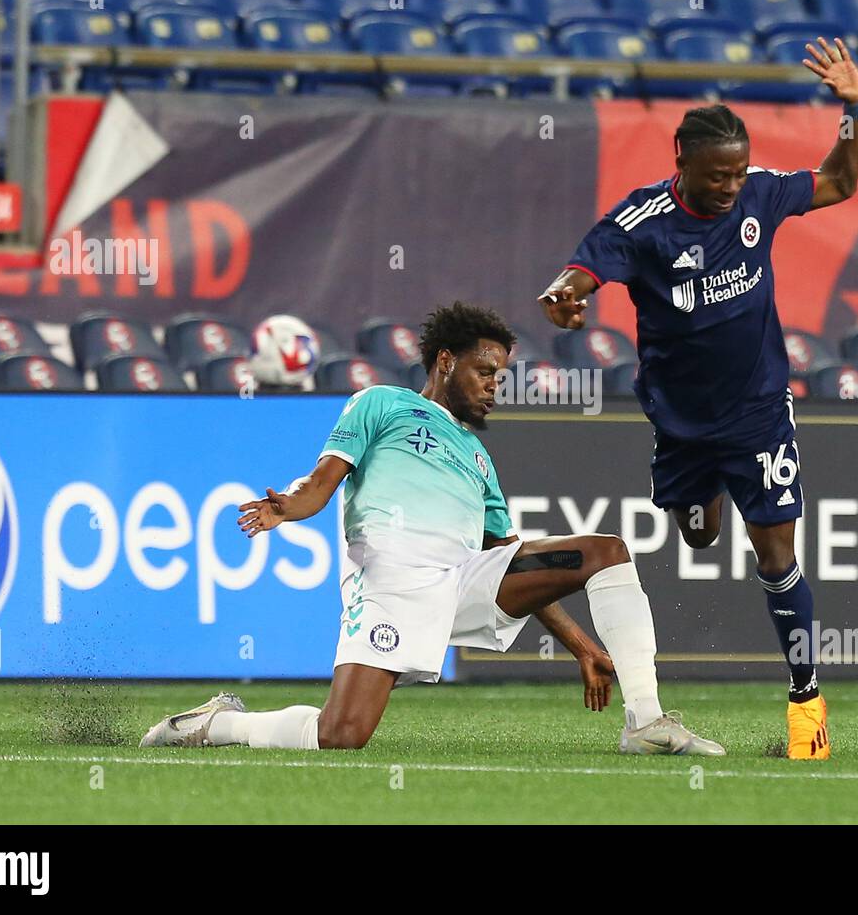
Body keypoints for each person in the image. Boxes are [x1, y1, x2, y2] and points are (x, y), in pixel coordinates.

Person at [141, 301, 722, 756]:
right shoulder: (382, 404)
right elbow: (320, 481)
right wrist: (288, 507)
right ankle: (220, 724)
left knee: (606, 551)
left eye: (502, 375)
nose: (496, 385)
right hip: (391, 578)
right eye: (486, 371)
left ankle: (644, 721)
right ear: (446, 362)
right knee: (341, 735)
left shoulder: (477, 457)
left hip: (463, 580)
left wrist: (582, 647)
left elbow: (509, 554)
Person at [536, 38, 858, 759]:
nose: (729, 187)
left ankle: (808, 714)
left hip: (757, 408)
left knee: (777, 554)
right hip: (682, 423)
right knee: (698, 534)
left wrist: (852, 107)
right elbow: (583, 269)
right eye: (717, 175)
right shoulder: (644, 220)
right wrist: (566, 298)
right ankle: (704, 490)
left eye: (738, 174)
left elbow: (839, 183)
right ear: (680, 158)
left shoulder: (760, 194)